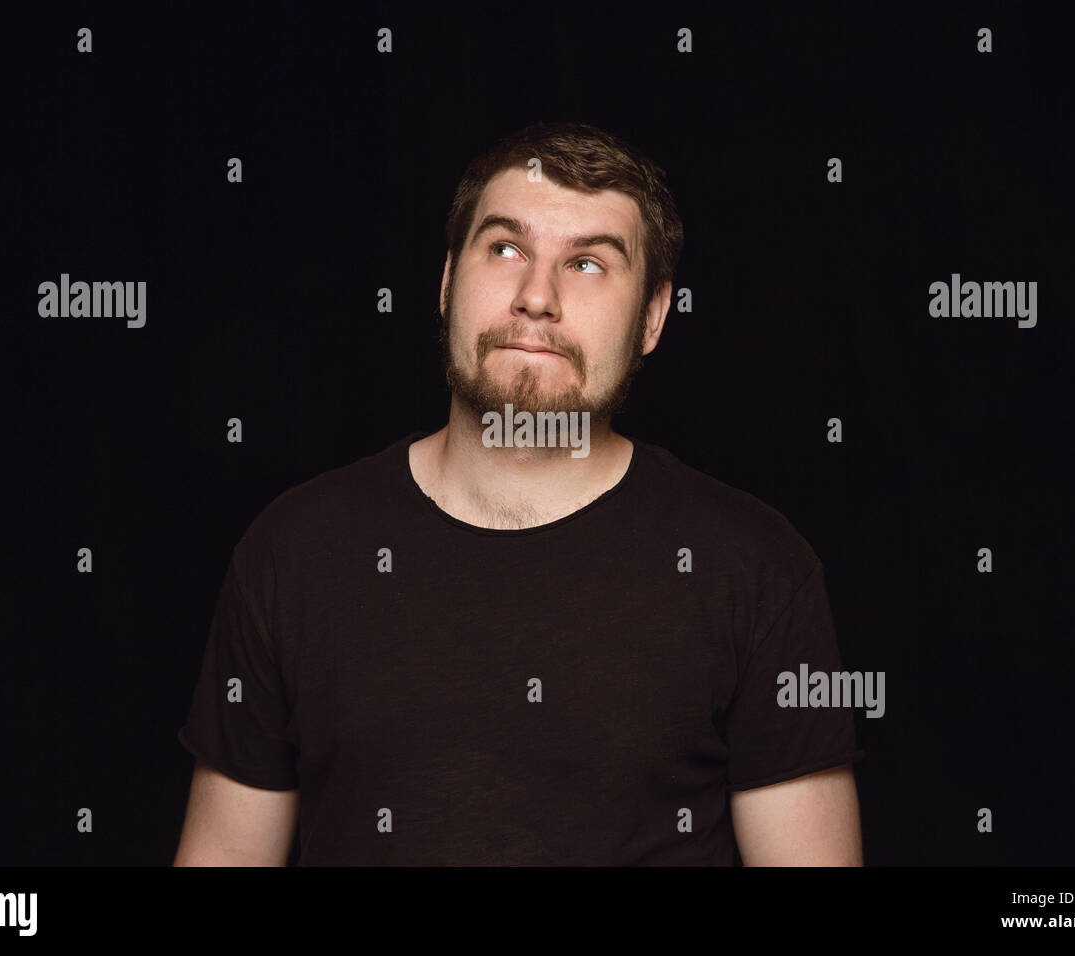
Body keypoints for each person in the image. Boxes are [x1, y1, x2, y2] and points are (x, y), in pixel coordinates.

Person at [174, 121, 864, 866]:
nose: (537, 297)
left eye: (590, 264)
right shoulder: (294, 551)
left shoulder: (756, 570)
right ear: (446, 282)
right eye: (506, 249)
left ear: (654, 318)